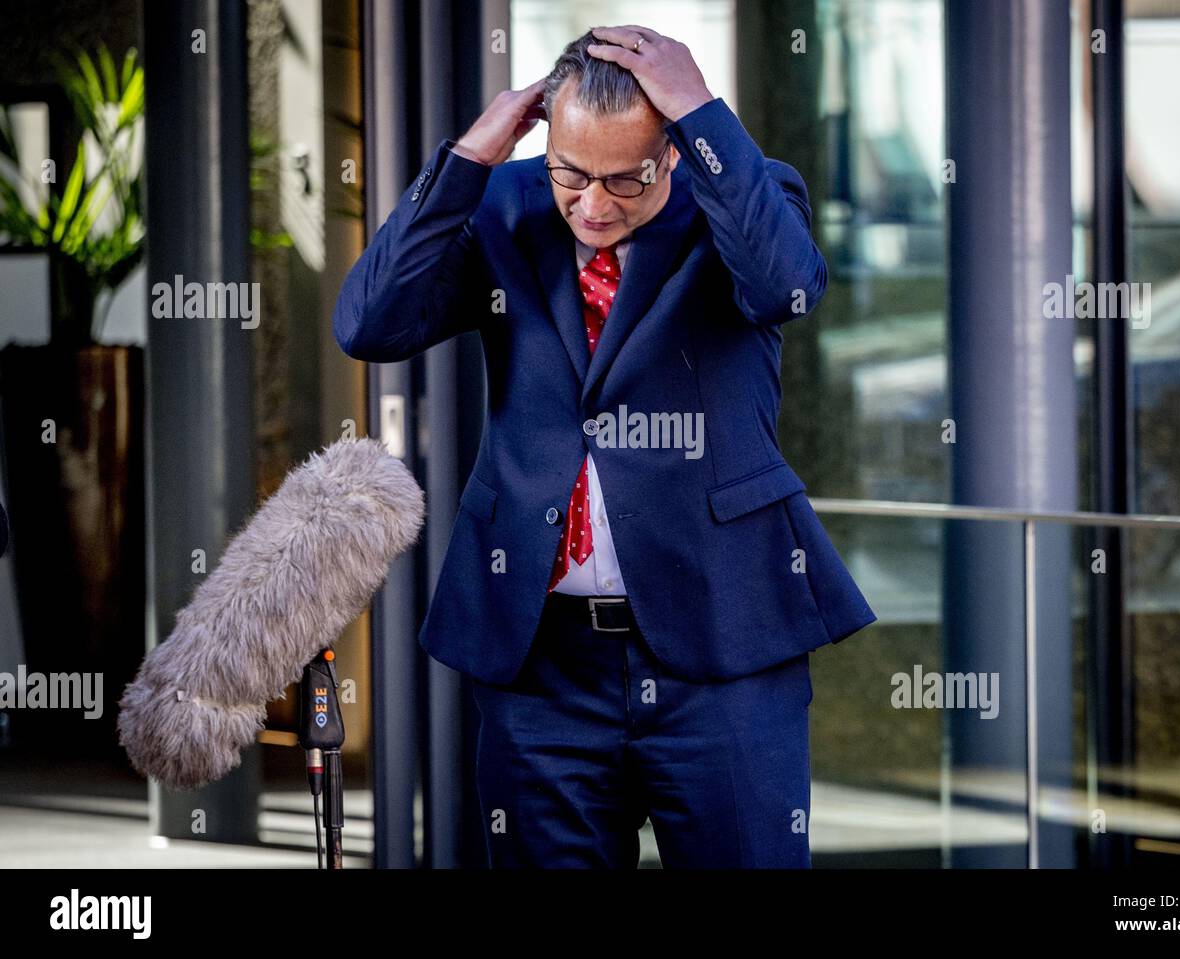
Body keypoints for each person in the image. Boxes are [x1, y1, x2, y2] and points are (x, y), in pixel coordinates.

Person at [333, 24, 877, 868]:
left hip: (720, 651)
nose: (593, 205)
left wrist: (700, 107)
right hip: (542, 662)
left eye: (627, 179)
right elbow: (369, 324)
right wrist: (470, 160)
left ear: (672, 146)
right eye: (572, 174)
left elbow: (784, 287)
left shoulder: (748, 196)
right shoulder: (508, 204)